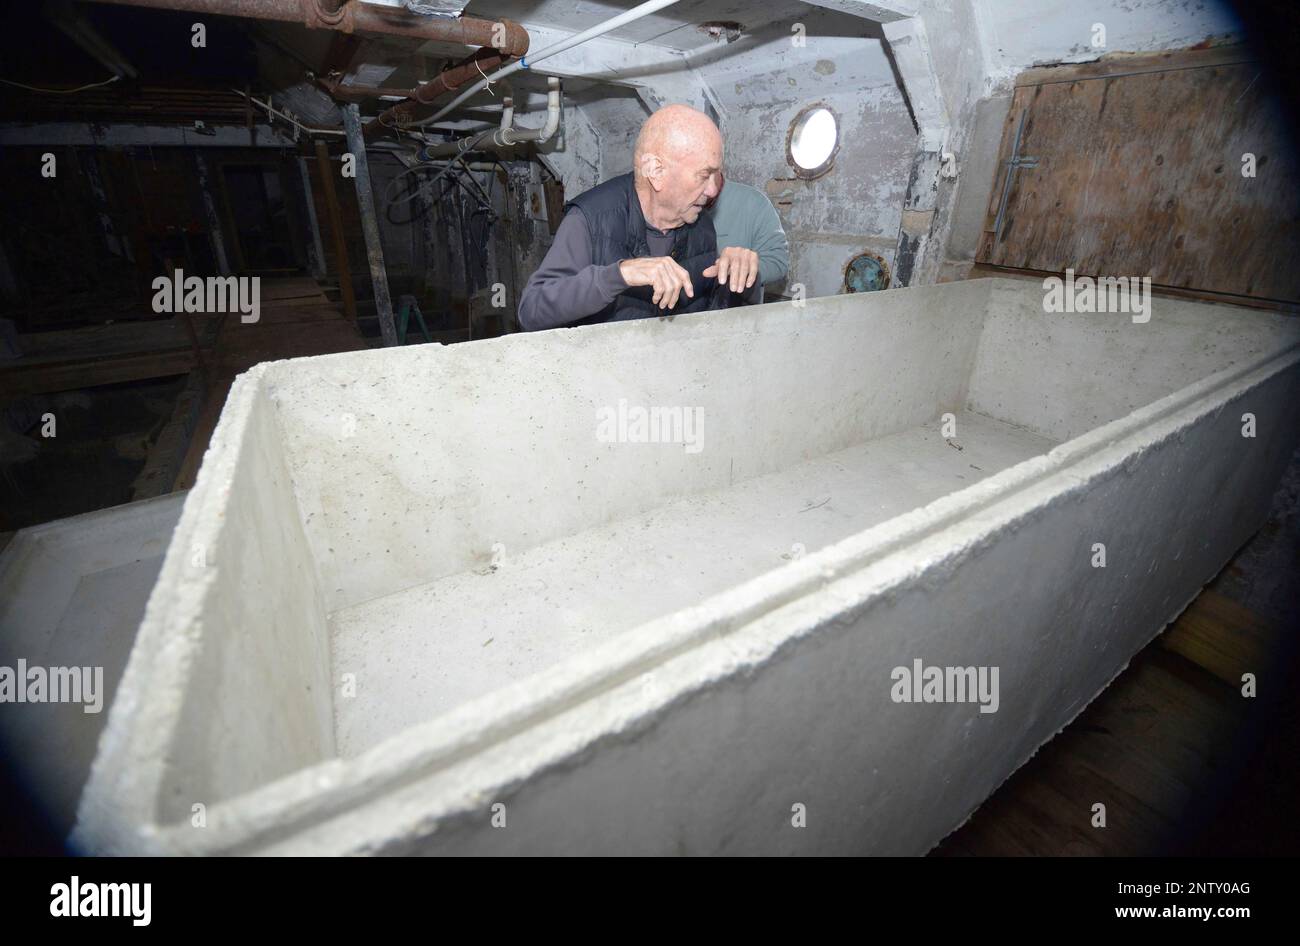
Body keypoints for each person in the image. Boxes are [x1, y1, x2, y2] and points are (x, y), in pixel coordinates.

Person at [518, 104, 762, 331]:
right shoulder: (590, 219)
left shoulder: (701, 224)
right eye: (703, 175)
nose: (712, 190)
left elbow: (711, 316)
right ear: (656, 171)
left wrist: (739, 279)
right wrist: (619, 275)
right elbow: (531, 311)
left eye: (715, 176)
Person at [705, 172, 790, 304]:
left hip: (740, 316)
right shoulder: (676, 206)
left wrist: (748, 267)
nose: (709, 189)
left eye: (708, 172)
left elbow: (778, 260)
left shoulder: (755, 203)